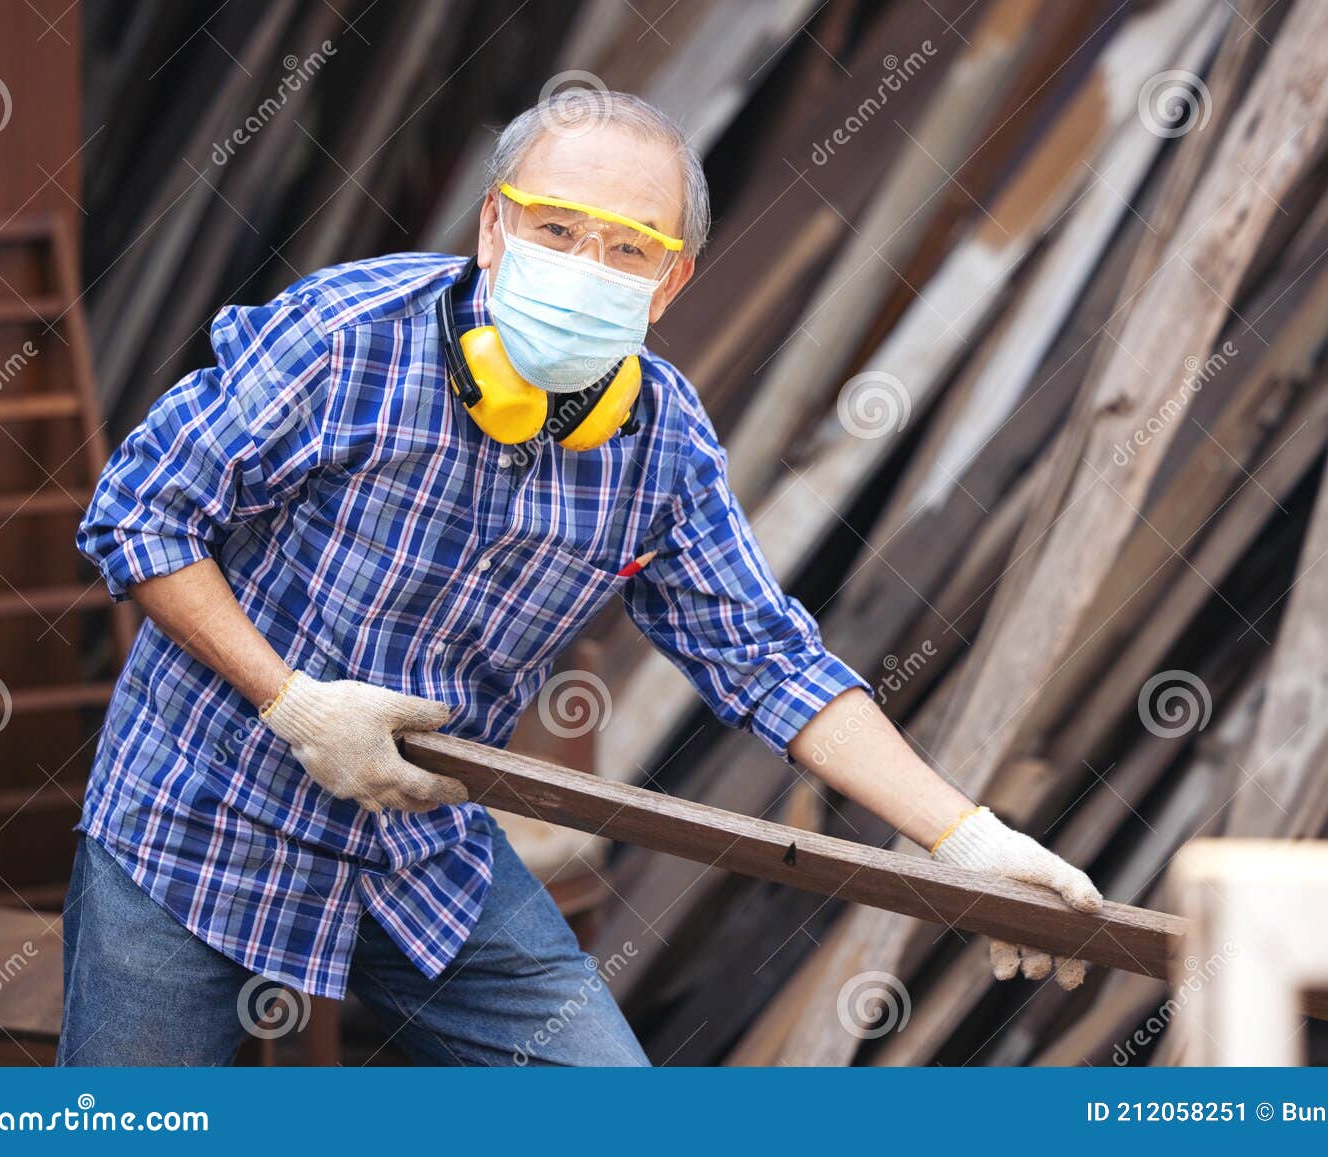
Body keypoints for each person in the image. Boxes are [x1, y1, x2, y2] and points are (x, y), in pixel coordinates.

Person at [61, 91, 1100, 1066]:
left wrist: (966, 837)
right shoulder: (344, 336)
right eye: (555, 229)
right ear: (493, 230)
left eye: (626, 248)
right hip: (194, 824)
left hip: (420, 855)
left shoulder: (662, 445)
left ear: (671, 281)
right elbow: (142, 512)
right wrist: (290, 701)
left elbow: (766, 658)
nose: (585, 263)